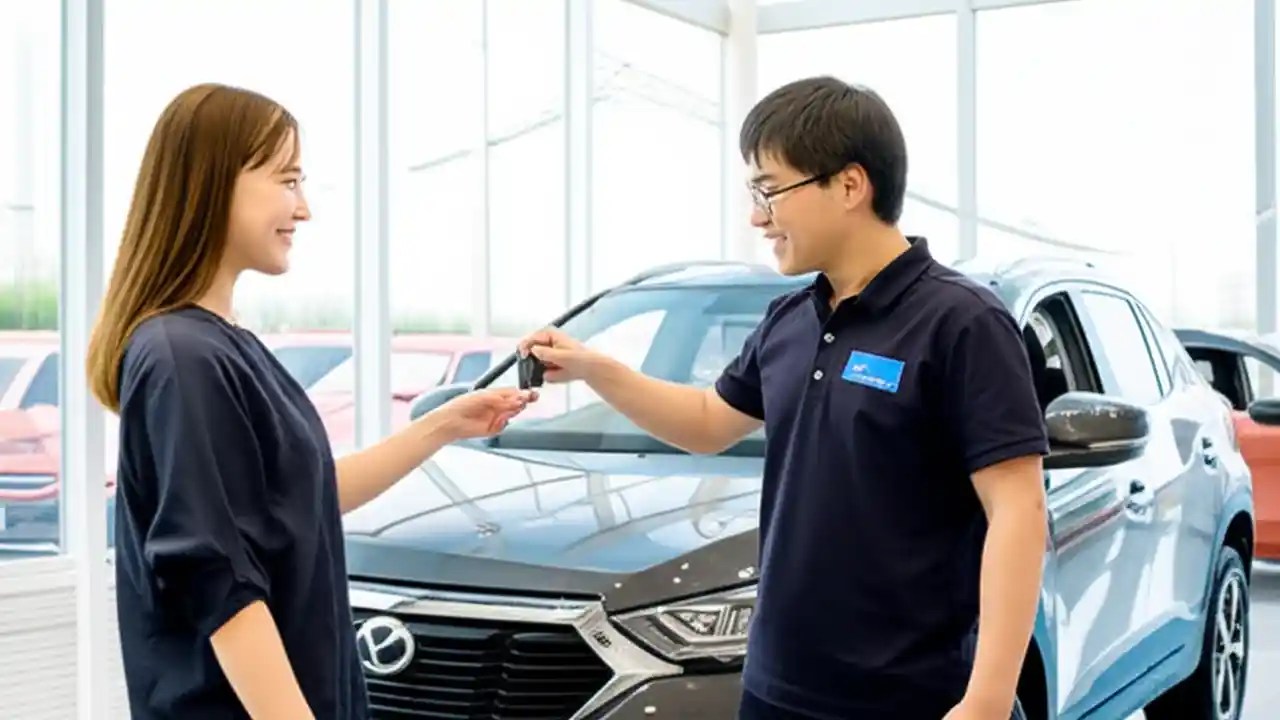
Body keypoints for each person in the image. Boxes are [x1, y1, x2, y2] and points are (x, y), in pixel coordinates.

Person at [518, 76, 1047, 720]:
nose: (756, 216)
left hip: (913, 696)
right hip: (778, 687)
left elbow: (1017, 509)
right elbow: (710, 422)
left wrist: (988, 699)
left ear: (850, 185)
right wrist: (597, 368)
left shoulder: (962, 322)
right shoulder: (788, 321)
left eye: (769, 190)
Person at [85, 83, 535, 719]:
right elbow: (222, 585)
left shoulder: (219, 344)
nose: (304, 209)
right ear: (213, 182)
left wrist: (440, 427)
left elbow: (304, 498)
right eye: (287, 180)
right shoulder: (183, 357)